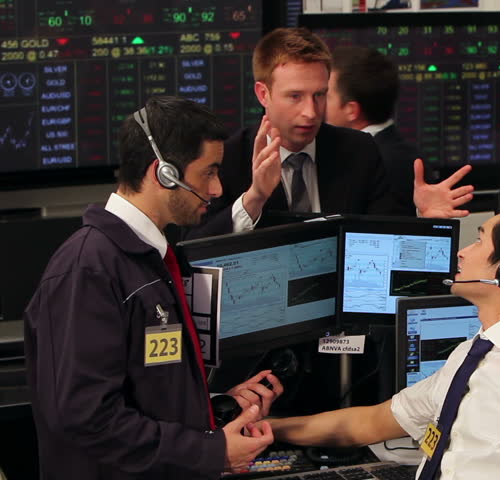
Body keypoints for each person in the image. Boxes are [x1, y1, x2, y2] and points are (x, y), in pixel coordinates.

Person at [24, 96, 285, 479]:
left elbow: (143, 388)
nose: (215, 190)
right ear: (162, 174)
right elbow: (86, 419)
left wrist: (213, 406)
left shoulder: (151, 258)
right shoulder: (89, 270)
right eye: (208, 173)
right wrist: (209, 451)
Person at [266, 197, 500, 480]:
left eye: (480, 240)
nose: (463, 251)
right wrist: (267, 429)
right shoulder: (470, 355)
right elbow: (367, 423)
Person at [192, 28, 472, 238]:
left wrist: (423, 218)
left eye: (320, 95)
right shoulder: (229, 158)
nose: (311, 112)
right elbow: (191, 251)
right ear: (263, 94)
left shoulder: (358, 150)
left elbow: (385, 246)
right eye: (295, 96)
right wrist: (254, 198)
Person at [327, 45, 444, 216]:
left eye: (325, 95)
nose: (317, 106)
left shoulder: (372, 161)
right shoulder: (404, 152)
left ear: (351, 110)